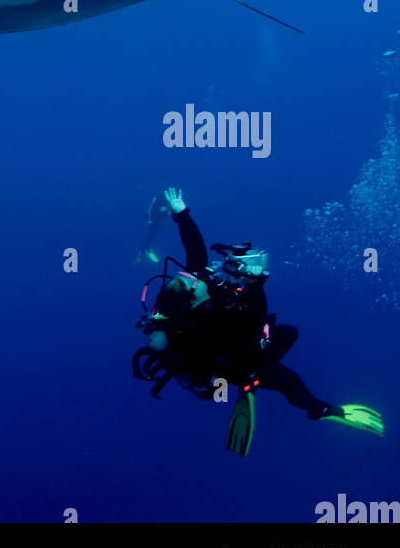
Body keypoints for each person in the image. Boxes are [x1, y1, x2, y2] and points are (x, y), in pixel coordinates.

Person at [133, 188, 383, 449]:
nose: (226, 274)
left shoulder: (200, 289)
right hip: (231, 362)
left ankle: (252, 380)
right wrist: (255, 286)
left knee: (288, 333)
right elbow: (250, 321)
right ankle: (316, 407)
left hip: (219, 351)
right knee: (290, 380)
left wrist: (182, 213)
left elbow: (195, 248)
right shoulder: (220, 308)